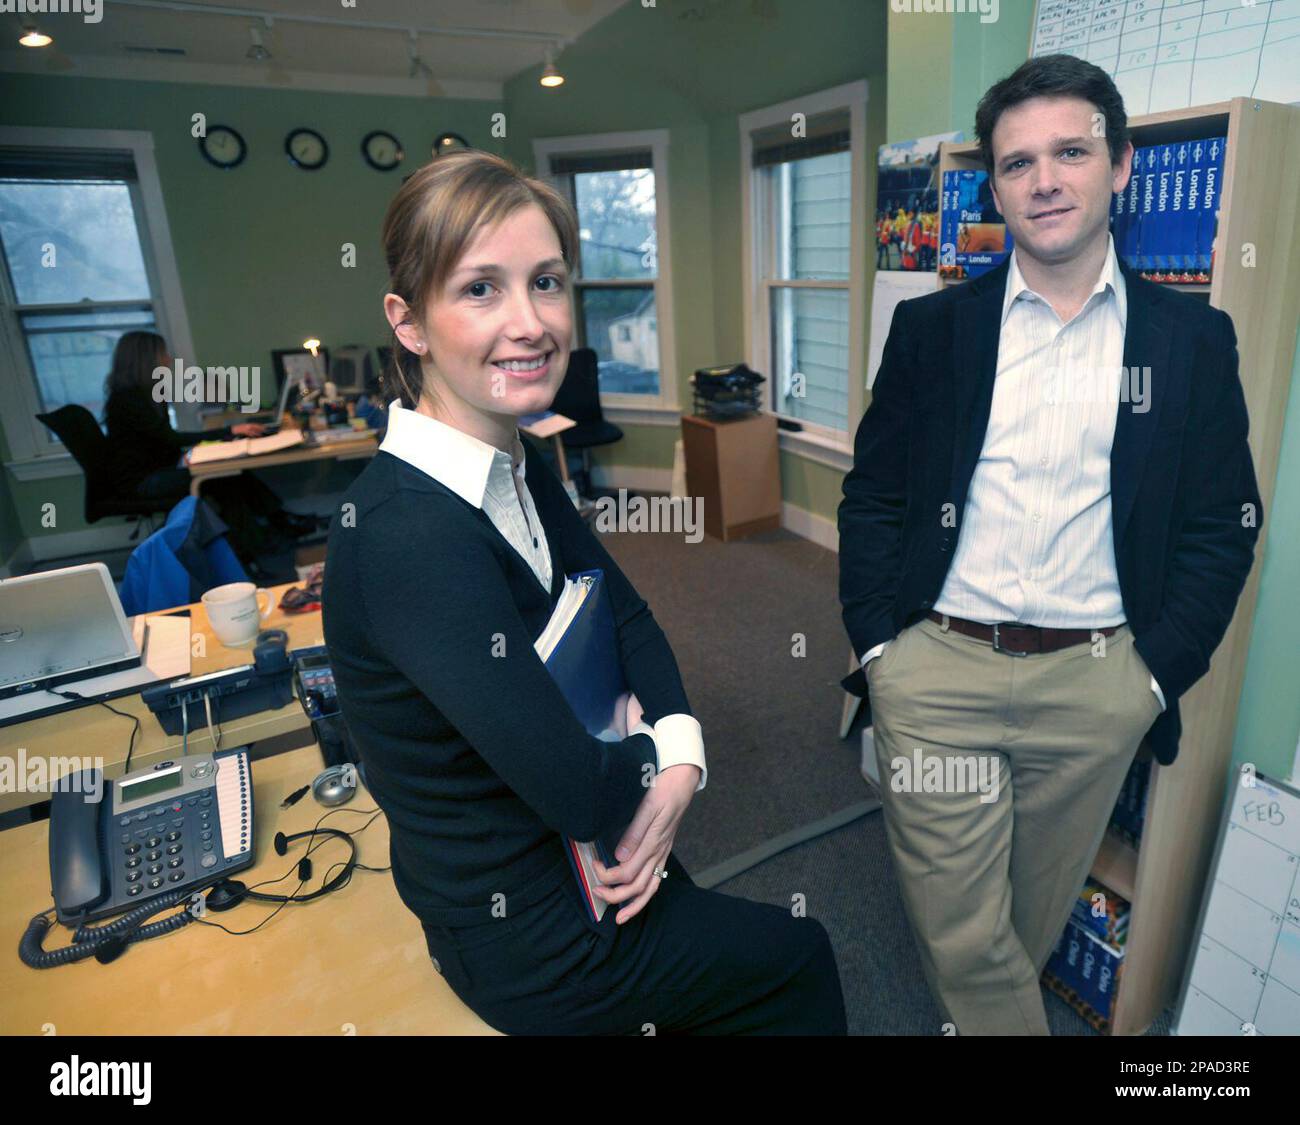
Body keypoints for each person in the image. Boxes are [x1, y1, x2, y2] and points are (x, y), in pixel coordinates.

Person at [321, 150, 846, 1036]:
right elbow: (578, 788)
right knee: (804, 955)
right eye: (480, 290)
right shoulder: (408, 534)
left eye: (547, 282)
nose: (530, 322)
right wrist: (658, 764)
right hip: (528, 933)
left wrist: (673, 748)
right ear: (409, 324)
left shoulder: (513, 460)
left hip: (577, 857)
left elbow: (625, 612)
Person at [838, 54, 1261, 1035]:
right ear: (995, 186)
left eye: (1069, 151)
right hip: (936, 668)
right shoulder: (932, 332)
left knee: (1021, 920)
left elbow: (1222, 528)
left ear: (1118, 167)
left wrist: (1151, 679)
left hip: (1098, 685)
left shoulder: (1189, 345)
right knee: (964, 930)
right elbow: (873, 496)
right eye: (1017, 162)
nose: (1044, 180)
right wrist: (877, 652)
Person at [102, 331, 317, 573]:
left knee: (234, 474)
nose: (168, 359)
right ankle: (260, 545)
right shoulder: (127, 401)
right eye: (162, 354)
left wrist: (216, 439)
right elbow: (169, 438)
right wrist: (228, 431)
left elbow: (161, 441)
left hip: (161, 467)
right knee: (223, 480)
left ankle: (276, 526)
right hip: (144, 481)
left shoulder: (145, 394)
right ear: (145, 360)